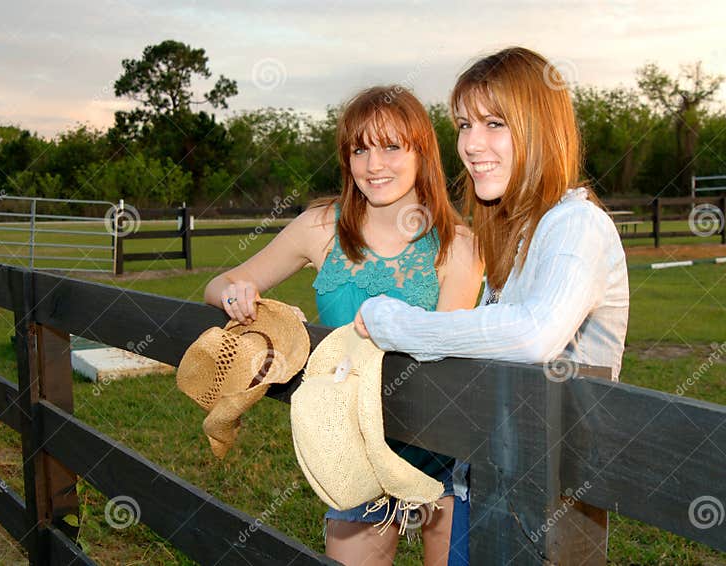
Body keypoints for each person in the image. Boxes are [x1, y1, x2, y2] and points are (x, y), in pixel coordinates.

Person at [355, 47, 630, 564]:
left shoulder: (577, 224)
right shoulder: (517, 233)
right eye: (463, 125)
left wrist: (394, 322)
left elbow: (531, 335)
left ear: (542, 129)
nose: (470, 144)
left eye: (494, 123)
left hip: (549, 504)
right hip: (492, 479)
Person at [204, 85, 484, 565]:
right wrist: (236, 293)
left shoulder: (458, 245)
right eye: (360, 149)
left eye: (392, 147)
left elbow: (447, 364)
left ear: (422, 153)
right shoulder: (320, 227)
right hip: (350, 452)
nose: (374, 165)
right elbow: (222, 282)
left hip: (438, 450)